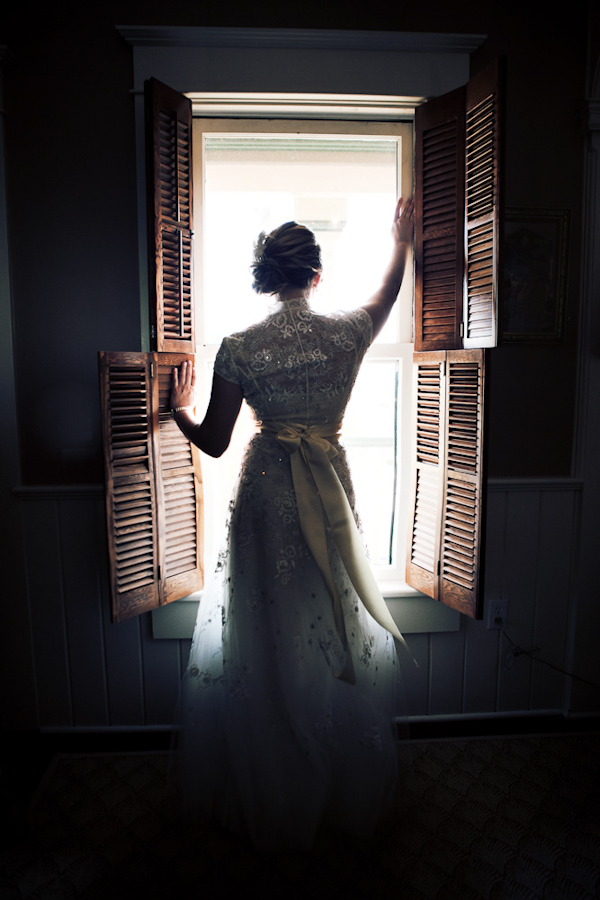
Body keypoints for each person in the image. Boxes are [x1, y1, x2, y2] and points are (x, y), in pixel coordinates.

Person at [169, 197, 415, 852]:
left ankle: (272, 778)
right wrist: (402, 240)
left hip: (268, 494)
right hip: (328, 487)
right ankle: (336, 787)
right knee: (329, 623)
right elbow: (388, 293)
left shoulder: (241, 347)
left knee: (267, 629)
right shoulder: (345, 335)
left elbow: (217, 443)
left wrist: (178, 410)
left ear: (267, 276)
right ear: (315, 275)